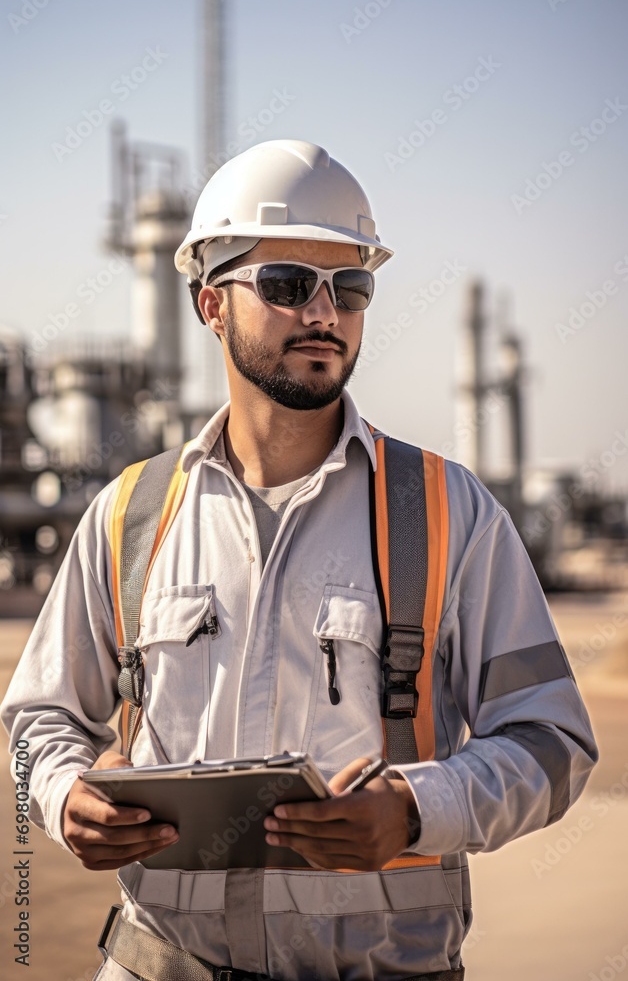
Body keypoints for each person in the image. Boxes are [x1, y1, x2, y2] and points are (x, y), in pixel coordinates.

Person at [1, 139, 597, 981]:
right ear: (212, 305)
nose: (324, 313)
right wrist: (62, 798)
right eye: (286, 287)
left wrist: (419, 809)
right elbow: (34, 722)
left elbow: (553, 741)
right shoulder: (130, 516)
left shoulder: (446, 512)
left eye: (349, 289)